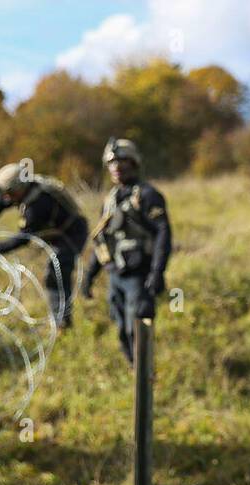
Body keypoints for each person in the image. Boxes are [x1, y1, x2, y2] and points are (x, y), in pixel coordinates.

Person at [80, 138, 172, 365]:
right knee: (122, 329)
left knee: (138, 329)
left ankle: (145, 383)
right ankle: (135, 372)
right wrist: (90, 276)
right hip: (116, 277)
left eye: (122, 162)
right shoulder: (110, 200)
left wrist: (157, 273)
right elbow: (102, 241)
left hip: (139, 277)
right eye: (111, 163)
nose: (116, 168)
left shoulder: (148, 195)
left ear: (133, 163)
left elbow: (163, 235)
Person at [0, 162, 88, 329]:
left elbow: (24, 238)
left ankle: (62, 323)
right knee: (54, 273)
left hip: (71, 235)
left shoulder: (38, 204)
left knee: (56, 275)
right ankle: (60, 320)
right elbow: (1, 201)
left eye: (10, 194)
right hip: (57, 232)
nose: (7, 198)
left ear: (18, 189)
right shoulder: (23, 189)